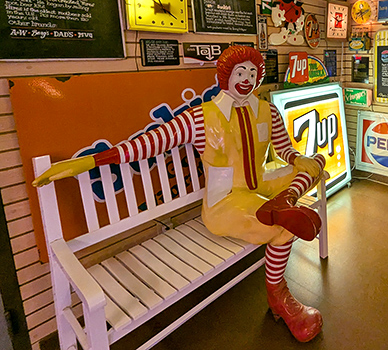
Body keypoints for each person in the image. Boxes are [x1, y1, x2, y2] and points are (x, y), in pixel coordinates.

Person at [33, 45, 326, 343]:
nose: (247, 78)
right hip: (227, 202)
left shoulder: (267, 111)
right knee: (282, 227)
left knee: (316, 164)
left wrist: (296, 159)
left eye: (252, 72)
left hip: (264, 185)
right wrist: (90, 160)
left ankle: (285, 199)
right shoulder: (200, 118)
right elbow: (150, 142)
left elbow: (285, 148)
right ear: (225, 76)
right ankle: (279, 296)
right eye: (240, 72)